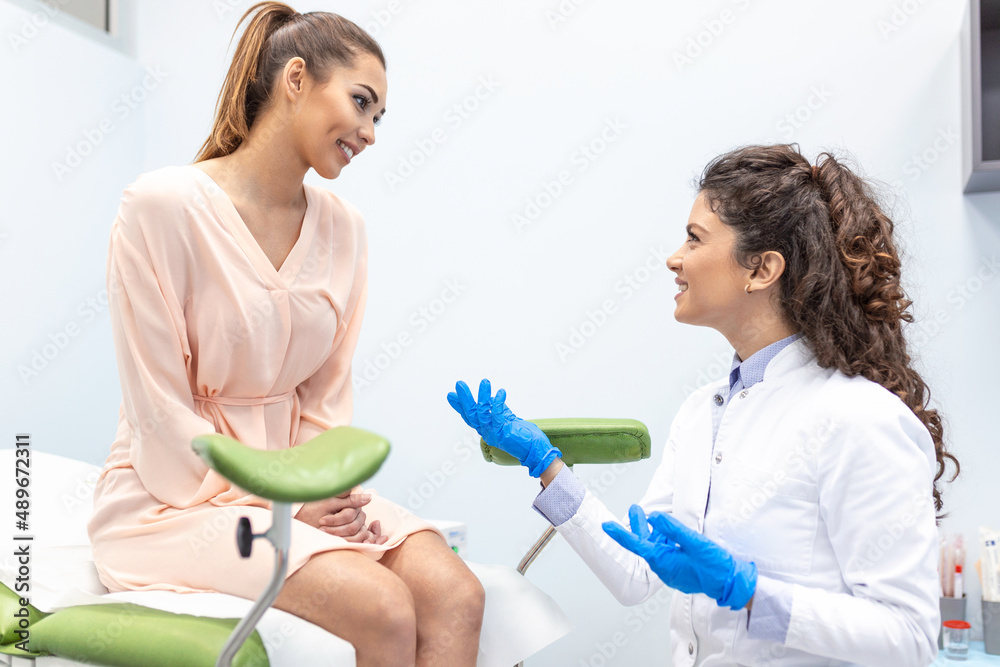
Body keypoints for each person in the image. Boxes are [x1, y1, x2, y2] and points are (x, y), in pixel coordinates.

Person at [449, 144, 959, 666]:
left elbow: (910, 638)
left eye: (694, 239)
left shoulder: (860, 419)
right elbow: (636, 573)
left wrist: (752, 594)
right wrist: (546, 464)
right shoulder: (703, 412)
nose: (674, 258)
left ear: (761, 269)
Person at [87, 3, 484, 665]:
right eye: (361, 103)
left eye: (379, 116)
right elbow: (159, 413)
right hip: (174, 498)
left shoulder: (344, 228)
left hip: (301, 487)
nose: (370, 132)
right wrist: (286, 499)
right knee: (382, 604)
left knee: (457, 594)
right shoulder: (159, 208)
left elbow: (327, 397)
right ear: (296, 79)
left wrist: (319, 487)